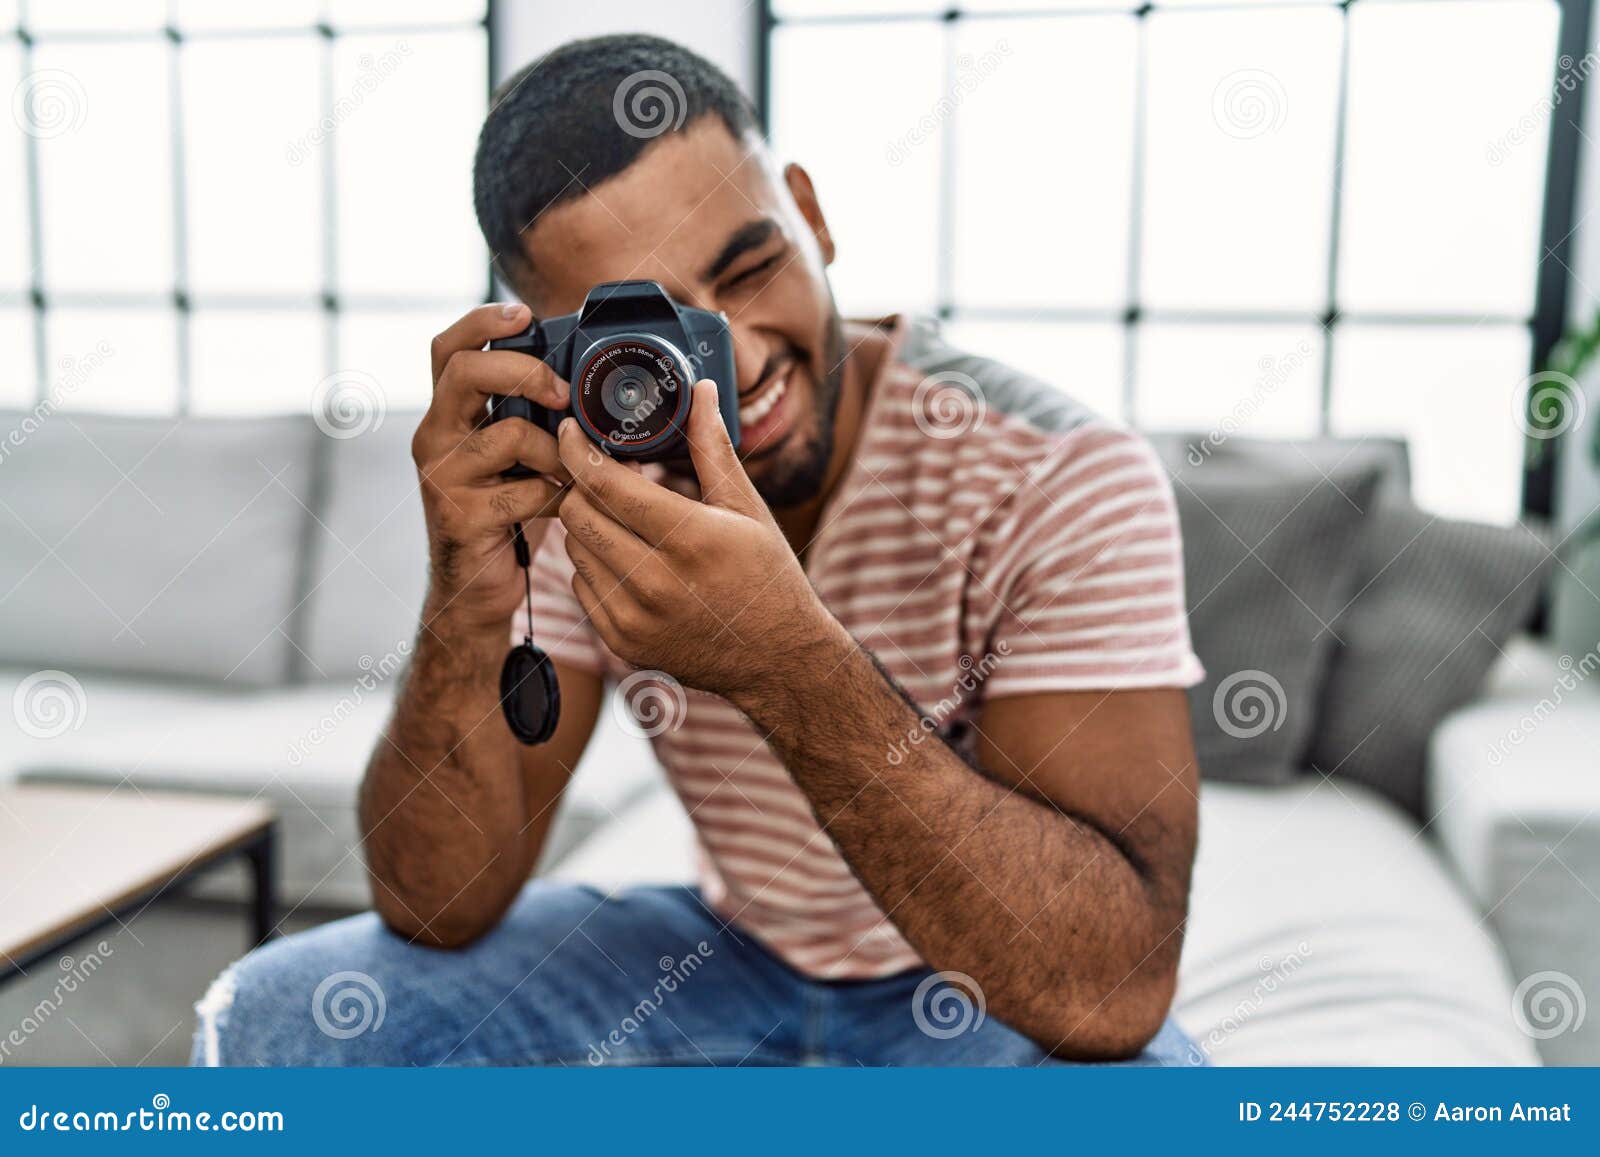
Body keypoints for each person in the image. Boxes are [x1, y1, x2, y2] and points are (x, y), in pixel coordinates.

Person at [193, 33, 1205, 1068]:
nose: (741, 358)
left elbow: (1109, 990)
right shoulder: (580, 472)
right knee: (287, 1014)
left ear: (810, 215)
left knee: (1151, 1098)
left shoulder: (1051, 470)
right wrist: (466, 592)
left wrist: (787, 664)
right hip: (724, 963)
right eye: (649, 343)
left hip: (978, 996)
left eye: (753, 267)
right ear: (548, 351)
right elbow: (434, 907)